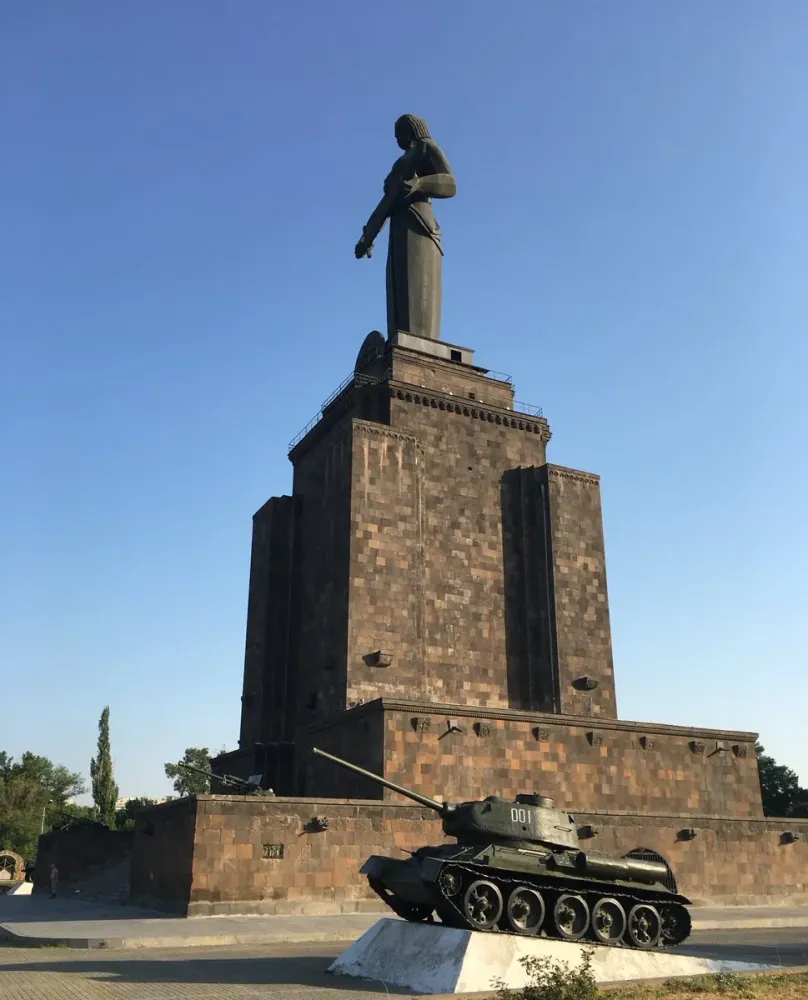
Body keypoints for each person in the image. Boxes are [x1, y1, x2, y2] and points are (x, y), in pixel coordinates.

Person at [355, 114, 457, 342]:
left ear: (411, 130)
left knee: (419, 285)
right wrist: (368, 236)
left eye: (399, 132)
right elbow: (388, 203)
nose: (396, 139)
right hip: (399, 227)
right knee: (399, 286)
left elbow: (450, 184)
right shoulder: (400, 163)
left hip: (420, 226)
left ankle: (419, 347)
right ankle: (400, 346)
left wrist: (420, 184)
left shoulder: (426, 148)